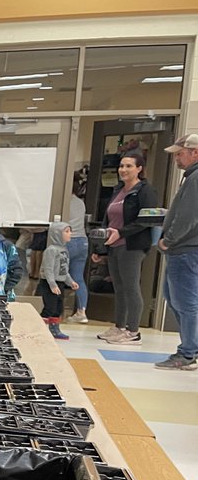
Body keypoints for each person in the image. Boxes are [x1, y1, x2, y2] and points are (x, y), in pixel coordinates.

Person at [92, 151, 159, 345]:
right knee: (118, 286)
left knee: (131, 286)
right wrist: (100, 248)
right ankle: (119, 326)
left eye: (129, 166)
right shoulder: (118, 190)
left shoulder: (145, 191)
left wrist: (121, 233)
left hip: (132, 245)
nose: (123, 170)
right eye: (121, 166)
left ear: (139, 168)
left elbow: (146, 221)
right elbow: (109, 219)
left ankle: (133, 330)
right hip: (113, 245)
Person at [155, 133, 198, 370]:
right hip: (184, 249)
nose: (176, 159)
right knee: (175, 299)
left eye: (180, 154)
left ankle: (188, 353)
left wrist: (169, 240)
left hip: (185, 250)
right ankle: (191, 347)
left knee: (185, 302)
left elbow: (189, 216)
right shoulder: (190, 177)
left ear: (195, 152)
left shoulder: (196, 178)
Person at [38, 221, 79, 340]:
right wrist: (52, 284)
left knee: (58, 308)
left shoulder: (64, 250)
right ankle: (39, 329)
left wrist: (70, 282)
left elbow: (64, 270)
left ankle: (54, 329)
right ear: (57, 234)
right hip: (49, 283)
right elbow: (48, 269)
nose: (70, 234)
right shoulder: (51, 250)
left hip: (59, 283)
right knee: (49, 307)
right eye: (66, 231)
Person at [65, 171, 90, 322]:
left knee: (59, 275)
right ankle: (82, 311)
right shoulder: (80, 202)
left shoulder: (63, 202)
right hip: (82, 241)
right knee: (78, 278)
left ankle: (53, 311)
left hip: (68, 241)